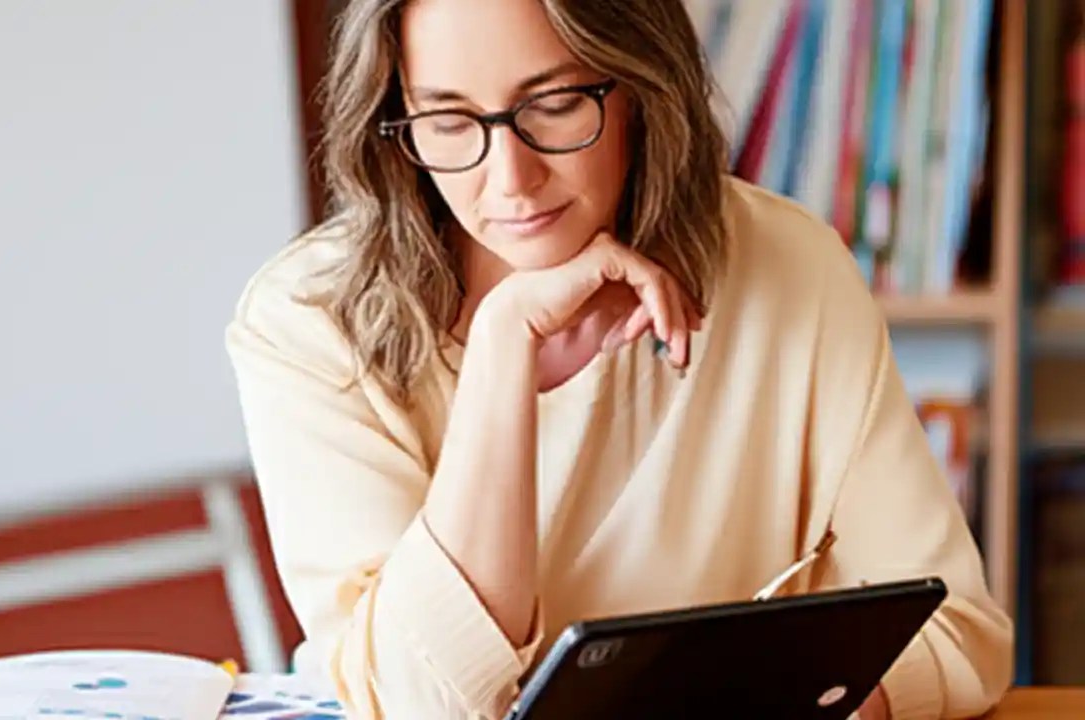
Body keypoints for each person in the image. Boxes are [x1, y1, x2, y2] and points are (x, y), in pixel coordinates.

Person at [224, 0, 1014, 717]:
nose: (511, 182)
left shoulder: (792, 268)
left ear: (643, 83)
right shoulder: (309, 320)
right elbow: (417, 706)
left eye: (558, 104)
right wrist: (504, 351)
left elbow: (960, 638)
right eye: (449, 122)